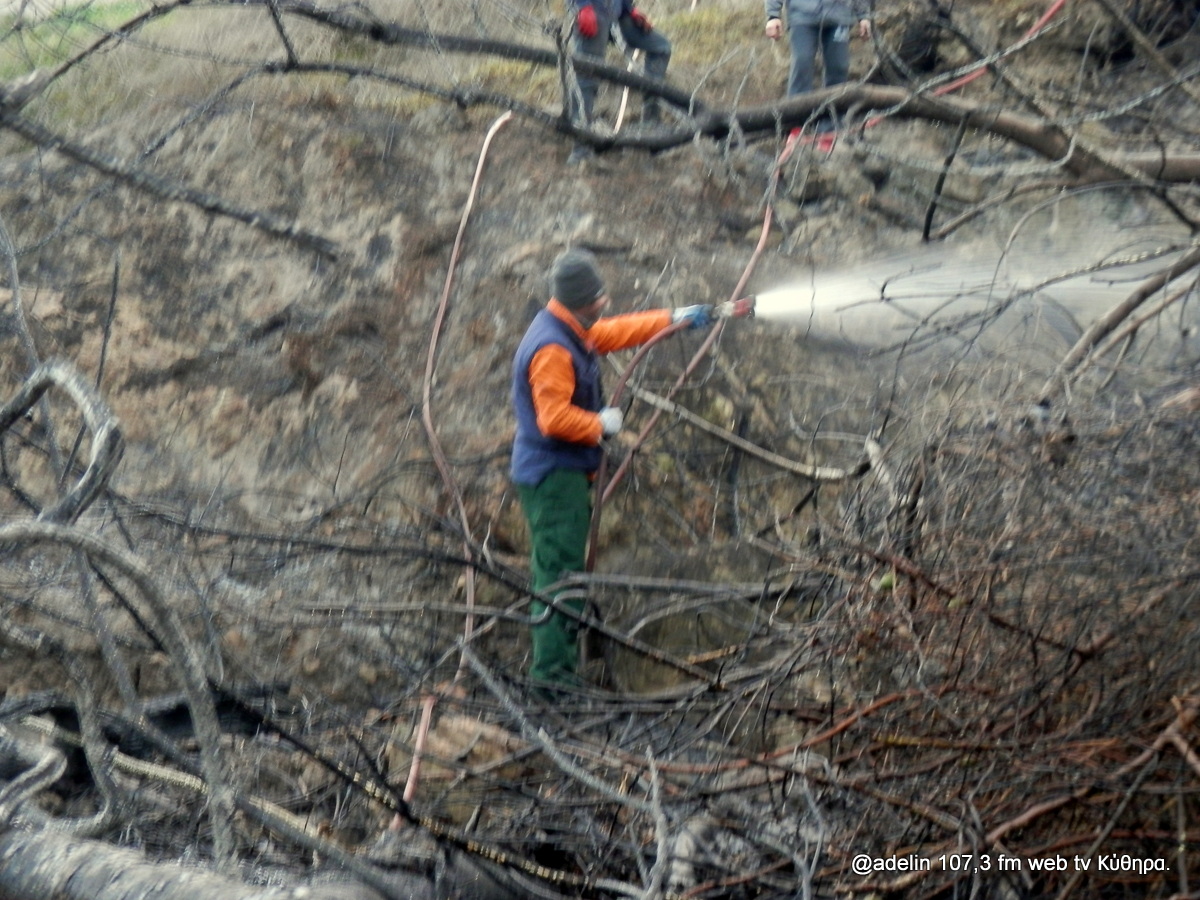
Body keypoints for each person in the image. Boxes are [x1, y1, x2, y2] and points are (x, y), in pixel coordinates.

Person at [511, 249, 712, 692]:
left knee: (559, 572)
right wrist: (598, 424)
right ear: (578, 301)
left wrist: (672, 319)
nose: (604, 303)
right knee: (559, 578)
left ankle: (560, 670)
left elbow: (614, 331)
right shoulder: (552, 348)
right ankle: (553, 683)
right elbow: (552, 419)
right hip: (553, 479)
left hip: (559, 475)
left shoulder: (569, 327)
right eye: (596, 299)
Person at [565, 0, 673, 165]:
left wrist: (629, 8)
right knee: (587, 77)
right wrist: (582, 6)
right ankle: (580, 150)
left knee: (661, 47)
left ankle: (651, 124)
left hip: (617, 14)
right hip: (592, 11)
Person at [764, 0, 872, 138]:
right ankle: (796, 122)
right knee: (802, 63)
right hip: (801, 16)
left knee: (838, 67)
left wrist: (864, 16)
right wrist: (773, 15)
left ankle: (832, 123)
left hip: (839, 16)